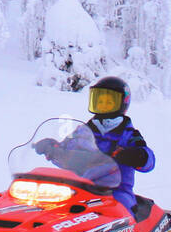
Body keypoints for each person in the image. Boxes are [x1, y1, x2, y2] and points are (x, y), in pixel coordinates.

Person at [35, 76, 155, 218]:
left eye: (109, 102)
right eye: (100, 101)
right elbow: (65, 150)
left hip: (115, 191)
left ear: (122, 104)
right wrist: (51, 148)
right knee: (51, 210)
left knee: (119, 211)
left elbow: (149, 160)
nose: (103, 105)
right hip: (81, 188)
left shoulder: (128, 134)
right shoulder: (83, 131)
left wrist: (139, 156)